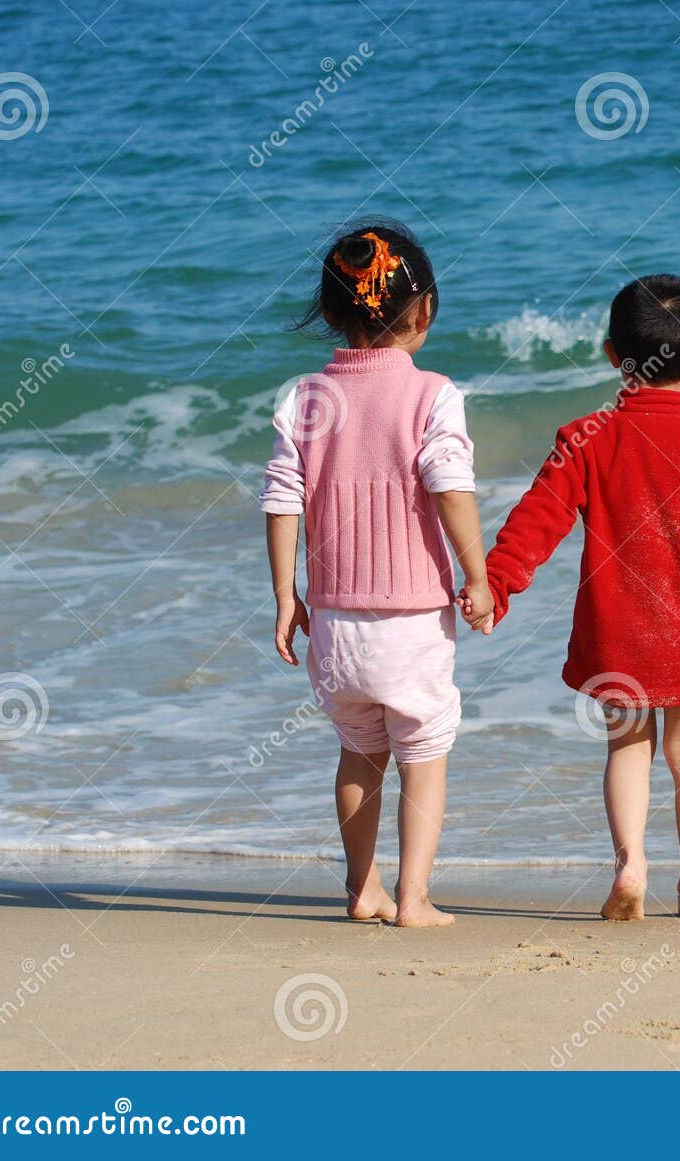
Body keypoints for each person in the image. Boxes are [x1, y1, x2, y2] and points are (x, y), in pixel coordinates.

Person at [473, 274, 680, 920]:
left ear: (612, 355)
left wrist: (495, 585)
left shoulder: (586, 438)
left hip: (617, 633)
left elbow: (536, 522)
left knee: (627, 747)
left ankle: (631, 862)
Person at [260, 222, 493, 928]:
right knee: (423, 753)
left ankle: (363, 889)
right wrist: (477, 574)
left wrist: (285, 595)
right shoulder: (433, 394)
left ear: (332, 312)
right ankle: (413, 897)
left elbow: (282, 496)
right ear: (424, 311)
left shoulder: (304, 397)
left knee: (359, 753)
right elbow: (450, 487)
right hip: (411, 619)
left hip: (334, 620)